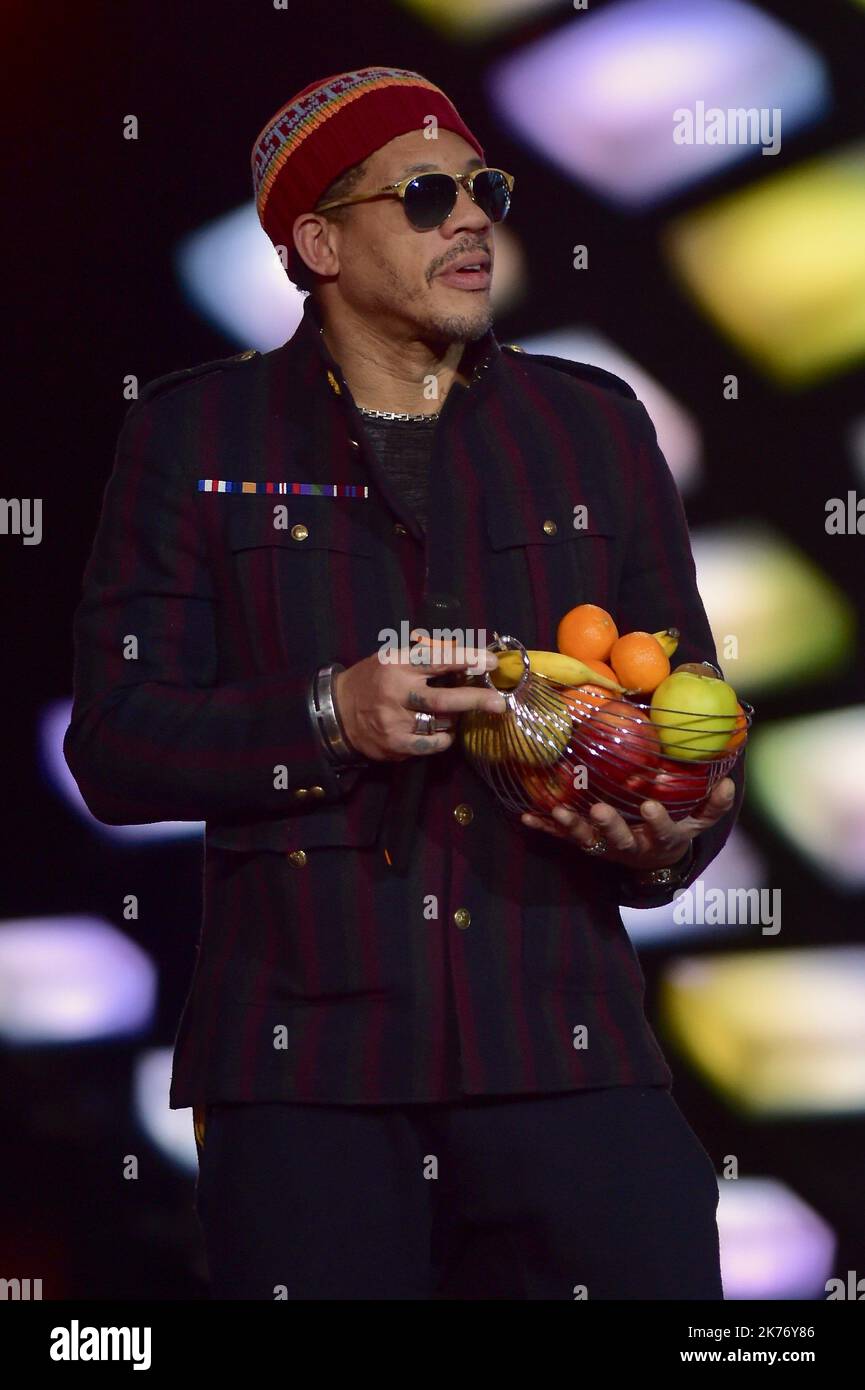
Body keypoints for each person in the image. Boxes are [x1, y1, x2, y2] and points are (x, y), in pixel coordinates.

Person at [64, 66, 744, 1300]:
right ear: (317, 241)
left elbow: (685, 718)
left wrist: (669, 827)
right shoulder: (194, 438)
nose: (473, 218)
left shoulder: (594, 427)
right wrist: (332, 712)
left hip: (563, 1043)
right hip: (308, 1073)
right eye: (426, 195)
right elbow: (116, 743)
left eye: (483, 187)